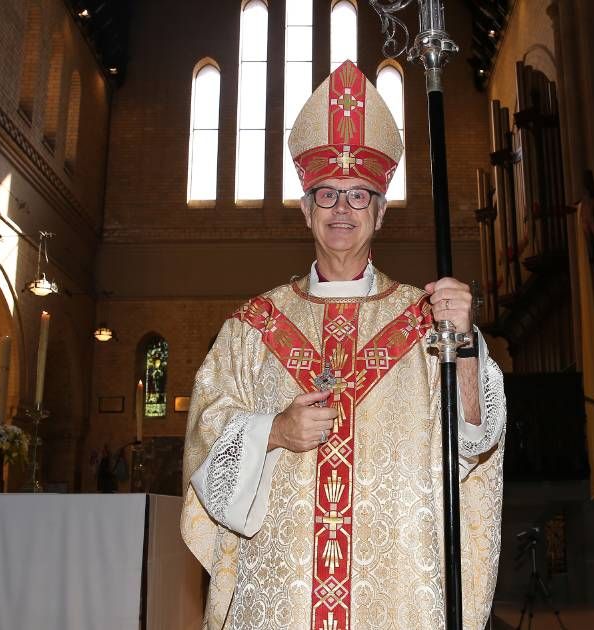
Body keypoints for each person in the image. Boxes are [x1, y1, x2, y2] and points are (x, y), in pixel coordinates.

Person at [180, 60, 506, 630]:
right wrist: (275, 431)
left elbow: (473, 443)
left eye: (359, 197)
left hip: (395, 590)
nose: (341, 210)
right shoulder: (252, 330)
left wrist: (467, 347)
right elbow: (205, 447)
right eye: (327, 195)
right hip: (281, 596)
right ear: (305, 209)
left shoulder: (427, 323)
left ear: (381, 213)